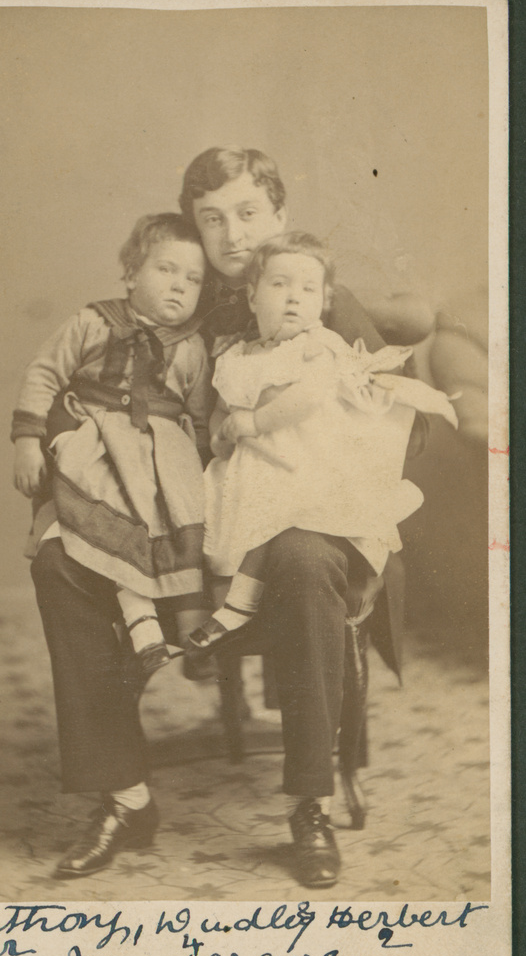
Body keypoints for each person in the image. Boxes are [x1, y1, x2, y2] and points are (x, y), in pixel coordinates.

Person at [26, 146, 435, 887]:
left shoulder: (316, 296)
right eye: (211, 219)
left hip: (304, 504)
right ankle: (124, 795)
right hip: (189, 504)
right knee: (62, 561)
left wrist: (335, 437)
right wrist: (53, 435)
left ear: (279, 215)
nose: (232, 235)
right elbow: (92, 379)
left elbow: (405, 414)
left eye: (248, 213)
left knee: (306, 558)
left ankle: (308, 801)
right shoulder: (176, 287)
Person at [186, 232, 457, 661]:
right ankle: (229, 612)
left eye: (308, 289)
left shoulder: (318, 347)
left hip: (304, 459)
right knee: (219, 526)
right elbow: (222, 408)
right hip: (247, 465)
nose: (294, 298)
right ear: (253, 296)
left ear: (324, 303)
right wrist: (222, 433)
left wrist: (253, 421)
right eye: (279, 285)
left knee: (277, 517)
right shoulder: (236, 356)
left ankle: (239, 608)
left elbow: (307, 397)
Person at [13, 214, 211, 678]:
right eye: (166, 270)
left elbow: (200, 421)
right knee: (107, 512)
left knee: (182, 514)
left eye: (193, 279)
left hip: (161, 456)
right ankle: (140, 617)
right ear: (130, 274)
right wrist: (26, 439)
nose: (179, 286)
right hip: (96, 443)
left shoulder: (192, 348)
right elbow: (44, 373)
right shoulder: (93, 322)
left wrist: (197, 471)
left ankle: (195, 638)